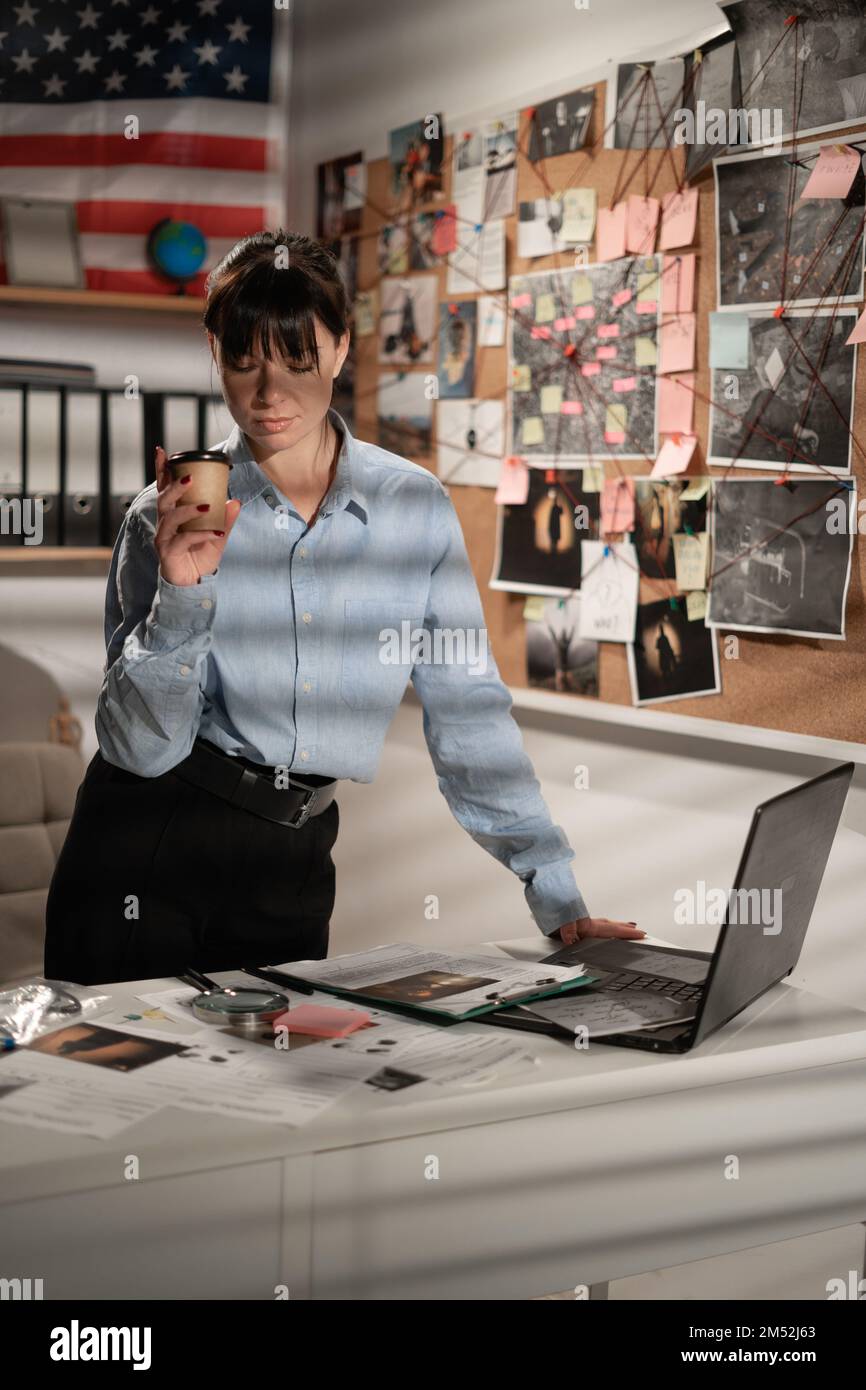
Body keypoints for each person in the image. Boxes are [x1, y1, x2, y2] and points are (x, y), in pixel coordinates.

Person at [44, 229, 643, 986]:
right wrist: (184, 594)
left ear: (340, 349)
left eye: (297, 360)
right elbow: (140, 749)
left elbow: (468, 711)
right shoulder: (166, 514)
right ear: (213, 349)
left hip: (294, 859)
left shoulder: (413, 508)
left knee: (275, 1094)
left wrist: (552, 888)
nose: (269, 394)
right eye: (243, 360)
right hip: (149, 839)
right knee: (120, 1093)